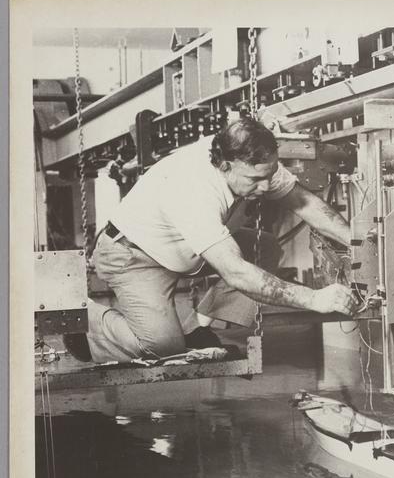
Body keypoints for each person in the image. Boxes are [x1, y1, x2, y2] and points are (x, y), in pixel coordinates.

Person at [66, 117, 356, 363]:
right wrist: (315, 298)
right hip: (135, 256)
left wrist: (359, 243)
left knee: (264, 246)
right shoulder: (194, 188)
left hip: (183, 249)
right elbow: (235, 272)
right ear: (225, 166)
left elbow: (305, 204)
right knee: (160, 349)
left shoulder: (256, 163)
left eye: (269, 176)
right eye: (255, 180)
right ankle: (84, 319)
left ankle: (197, 329)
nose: (266, 186)